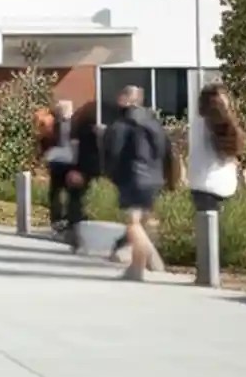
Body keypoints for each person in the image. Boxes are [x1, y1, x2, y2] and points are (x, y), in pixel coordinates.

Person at [103, 86, 171, 280]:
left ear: (126, 99)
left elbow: (113, 153)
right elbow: (165, 149)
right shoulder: (153, 122)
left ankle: (149, 261)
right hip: (154, 177)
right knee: (142, 221)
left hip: (133, 177)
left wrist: (112, 174)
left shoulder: (122, 124)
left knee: (133, 224)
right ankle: (136, 266)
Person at [189, 82, 246, 215]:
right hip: (224, 188)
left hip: (202, 188)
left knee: (208, 231)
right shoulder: (229, 127)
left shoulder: (199, 124)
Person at [59, 102, 103, 250]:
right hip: (88, 168)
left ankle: (74, 228)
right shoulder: (91, 131)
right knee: (78, 197)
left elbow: (75, 149)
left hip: (81, 167)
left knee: (76, 197)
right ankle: (76, 228)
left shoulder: (80, 129)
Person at [40, 100, 77, 231]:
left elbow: (46, 142)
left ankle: (58, 220)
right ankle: (70, 220)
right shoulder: (75, 125)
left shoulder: (53, 126)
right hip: (71, 163)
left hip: (58, 163)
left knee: (56, 192)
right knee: (71, 193)